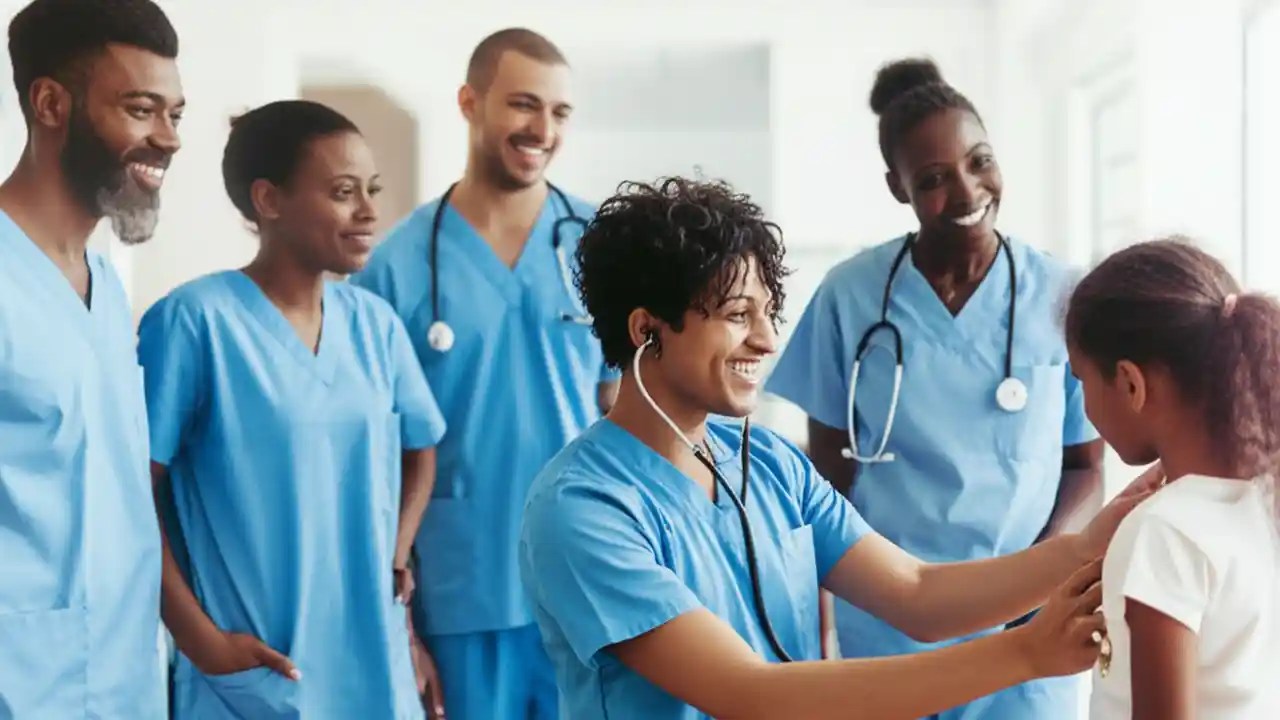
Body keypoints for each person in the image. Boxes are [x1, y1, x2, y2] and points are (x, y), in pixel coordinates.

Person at [517, 177, 1162, 720]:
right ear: (647, 330)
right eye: (739, 315)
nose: (768, 341)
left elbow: (916, 593)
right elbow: (747, 693)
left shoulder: (768, 465)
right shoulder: (583, 509)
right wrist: (1024, 654)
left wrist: (1086, 546)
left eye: (769, 312)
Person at [764, 57, 1105, 718]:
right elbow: (826, 480)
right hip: (888, 625)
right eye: (934, 179)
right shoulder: (850, 296)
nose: (968, 189)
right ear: (898, 188)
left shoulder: (1062, 295)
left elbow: (1085, 465)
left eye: (979, 161)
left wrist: (1042, 569)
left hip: (1028, 621)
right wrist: (818, 615)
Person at [137, 100, 447, 719]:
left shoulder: (375, 326)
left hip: (374, 664)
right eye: (341, 192)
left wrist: (396, 550)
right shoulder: (195, 322)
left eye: (371, 190)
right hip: (258, 667)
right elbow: (134, 496)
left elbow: (421, 450)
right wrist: (200, 641)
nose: (368, 211)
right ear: (268, 200)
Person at [352, 27, 615, 720]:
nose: (542, 129)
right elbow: (380, 460)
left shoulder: (603, 247)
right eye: (523, 105)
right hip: (461, 592)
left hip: (589, 581)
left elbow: (632, 417)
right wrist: (398, 627)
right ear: (470, 103)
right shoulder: (399, 265)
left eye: (560, 113)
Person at [0, 1, 182, 716]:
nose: (166, 139)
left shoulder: (105, 289)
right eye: (141, 109)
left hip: (123, 681)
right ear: (51, 103)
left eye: (175, 114)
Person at [1064, 239, 1280, 720]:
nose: (1083, 405)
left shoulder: (1163, 531)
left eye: (1081, 380)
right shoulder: (1265, 500)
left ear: (1130, 383)